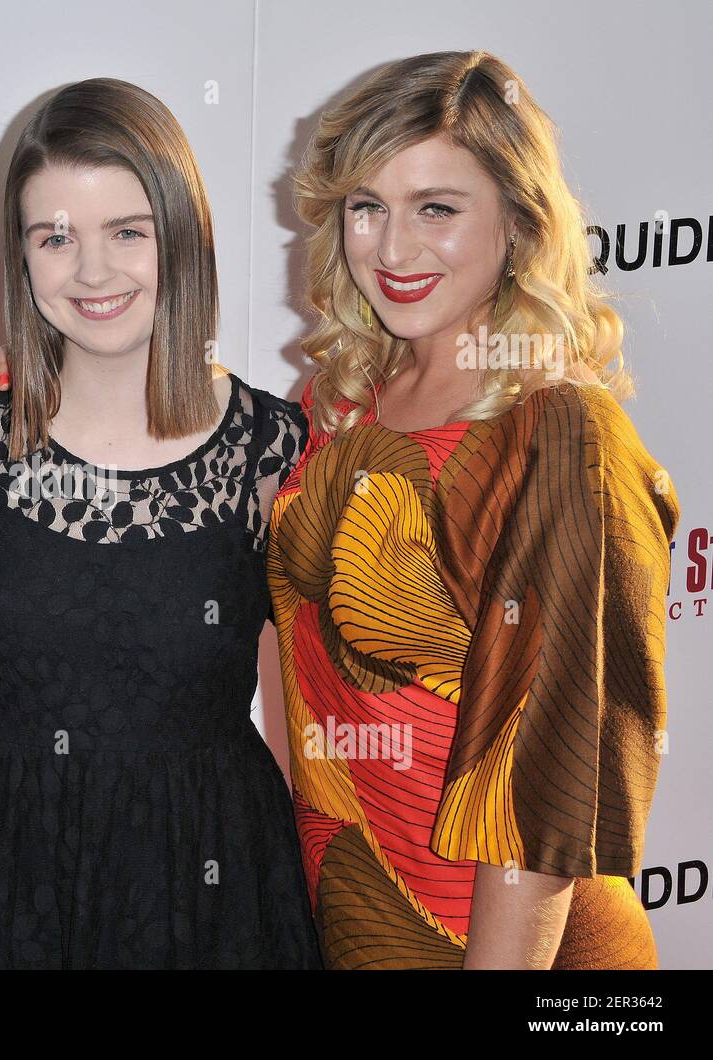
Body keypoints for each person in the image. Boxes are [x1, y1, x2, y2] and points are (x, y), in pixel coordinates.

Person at [266, 50, 680, 968]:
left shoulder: (565, 438)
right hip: (356, 913)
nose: (391, 249)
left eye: (437, 209)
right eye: (366, 207)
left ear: (520, 222)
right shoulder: (339, 401)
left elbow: (550, 784)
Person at [0, 78, 321, 969]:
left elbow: (303, 726)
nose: (92, 272)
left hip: (205, 891)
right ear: (19, 257)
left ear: (182, 236)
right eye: (55, 238)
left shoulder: (275, 449)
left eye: (127, 232)